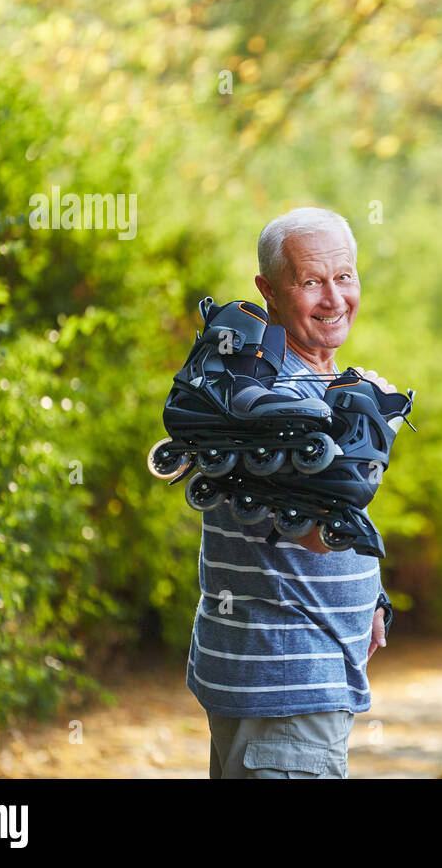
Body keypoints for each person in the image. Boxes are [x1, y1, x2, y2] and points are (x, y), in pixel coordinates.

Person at [186, 206, 397, 778]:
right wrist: (376, 429)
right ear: (269, 291)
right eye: (310, 282)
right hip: (287, 695)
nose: (334, 298)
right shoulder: (275, 401)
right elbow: (318, 533)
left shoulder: (307, 386)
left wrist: (367, 601)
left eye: (344, 276)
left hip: (281, 687)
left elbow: (296, 527)